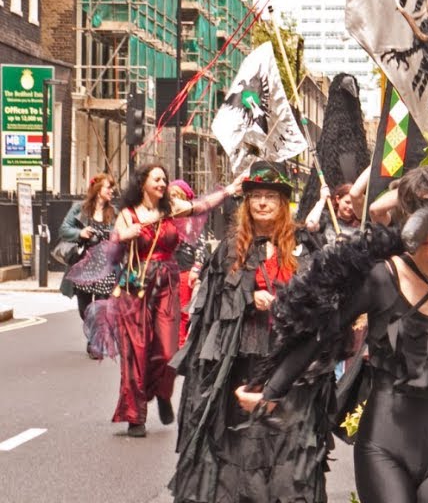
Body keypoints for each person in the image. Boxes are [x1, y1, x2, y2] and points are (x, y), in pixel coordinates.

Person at [236, 164, 428, 503]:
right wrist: (271, 390)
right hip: (383, 446)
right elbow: (320, 330)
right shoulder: (381, 277)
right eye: (416, 213)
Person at [169, 160, 328, 502]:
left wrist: (284, 303)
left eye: (271, 196)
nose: (262, 203)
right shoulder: (229, 249)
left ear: (284, 203)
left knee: (286, 453)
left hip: (289, 367)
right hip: (240, 362)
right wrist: (245, 298)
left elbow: (319, 304)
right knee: (238, 448)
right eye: (255, 195)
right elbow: (211, 312)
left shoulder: (304, 246)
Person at [108, 162, 240, 437]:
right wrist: (122, 236)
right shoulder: (128, 214)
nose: (161, 183)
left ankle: (162, 391)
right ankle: (136, 416)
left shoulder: (170, 210)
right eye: (156, 179)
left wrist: (229, 190)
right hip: (136, 287)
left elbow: (202, 205)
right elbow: (111, 252)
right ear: (142, 182)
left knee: (168, 350)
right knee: (137, 351)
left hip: (167, 283)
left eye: (164, 179)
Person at [59, 173, 118, 322]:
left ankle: (95, 341)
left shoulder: (114, 212)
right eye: (109, 187)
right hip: (85, 268)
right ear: (98, 189)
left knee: (102, 313)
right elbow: (64, 229)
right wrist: (81, 232)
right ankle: (93, 335)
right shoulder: (80, 209)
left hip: (106, 270)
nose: (112, 191)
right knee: (84, 311)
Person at [166, 179, 201, 347]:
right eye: (170, 196)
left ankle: (180, 344)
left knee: (182, 309)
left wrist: (196, 268)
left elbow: (200, 247)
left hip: (185, 269)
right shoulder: (163, 218)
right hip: (164, 269)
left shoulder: (192, 221)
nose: (173, 200)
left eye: (176, 196)